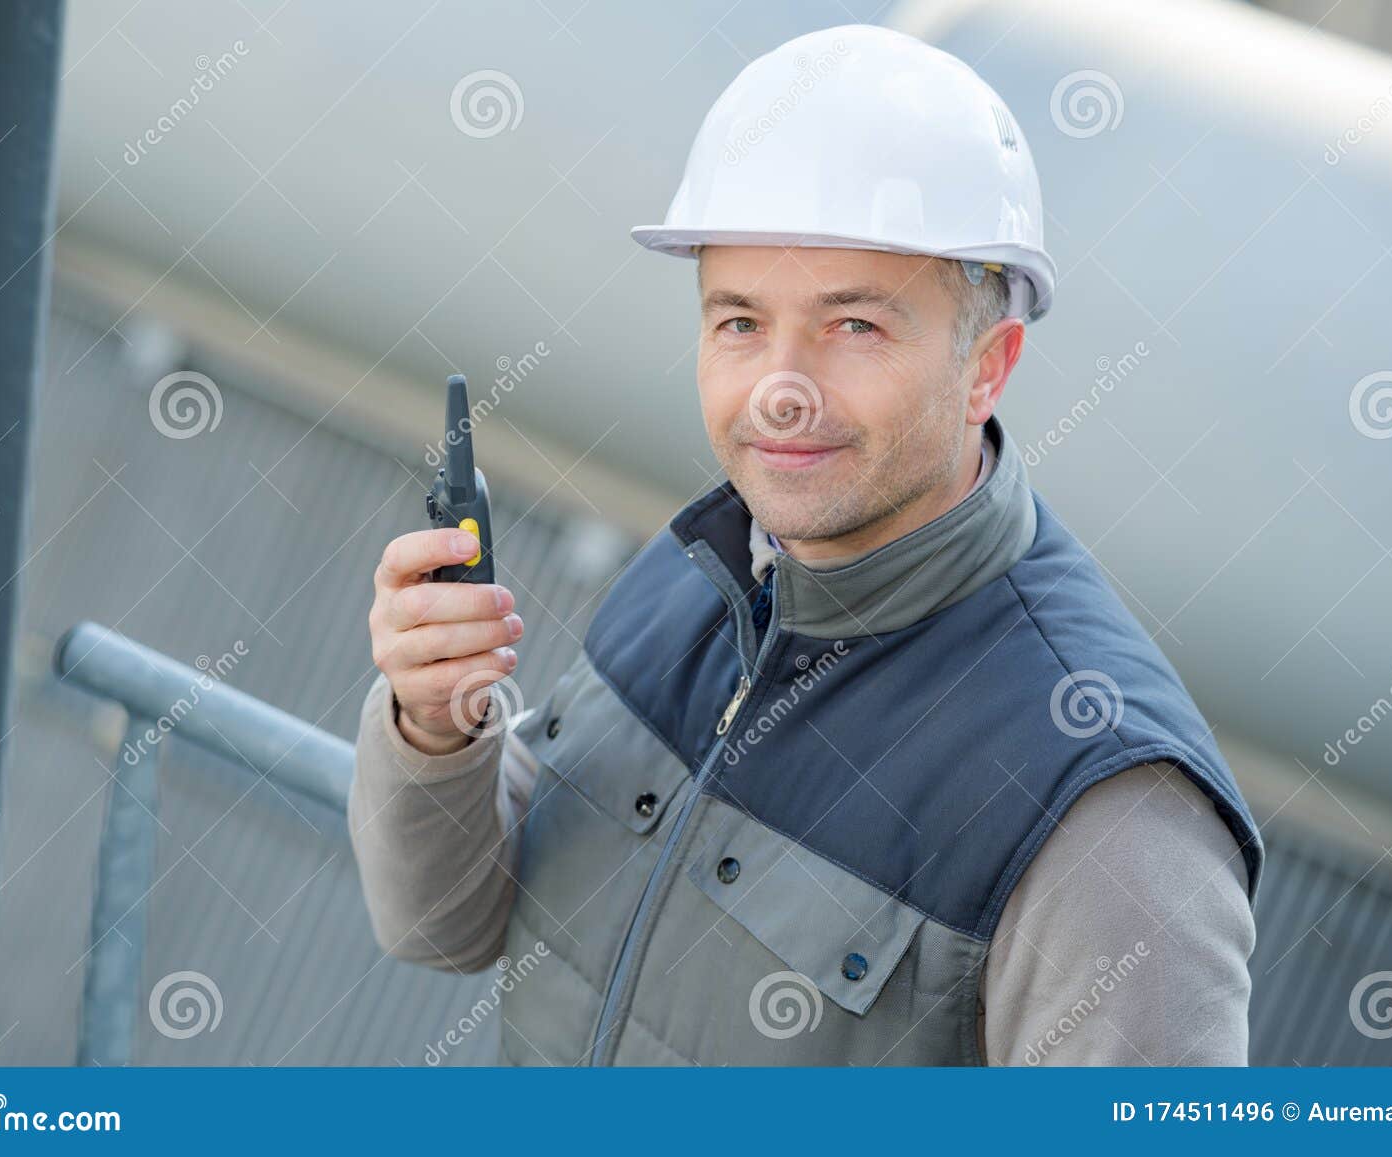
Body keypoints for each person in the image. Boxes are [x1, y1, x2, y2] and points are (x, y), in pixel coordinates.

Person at [349, 23, 1262, 1066]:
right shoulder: (699, 574)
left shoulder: (1106, 809)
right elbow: (441, 925)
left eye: (853, 326)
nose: (779, 388)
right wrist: (433, 727)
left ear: (987, 366)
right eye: (739, 322)